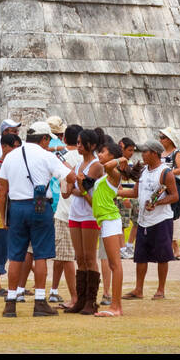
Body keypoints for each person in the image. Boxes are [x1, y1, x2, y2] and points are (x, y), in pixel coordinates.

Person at [0, 124, 71, 317]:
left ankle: (11, 302)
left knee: (15, 256)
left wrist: (3, 217)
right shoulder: (47, 156)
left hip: (16, 207)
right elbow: (69, 176)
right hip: (40, 206)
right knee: (40, 255)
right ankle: (40, 300)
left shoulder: (11, 156)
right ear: (45, 139)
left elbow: (2, 192)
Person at [119, 139, 178, 300]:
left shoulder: (166, 172)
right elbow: (136, 192)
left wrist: (157, 203)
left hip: (161, 219)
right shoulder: (143, 171)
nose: (142, 155)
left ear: (154, 153)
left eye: (145, 152)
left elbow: (174, 196)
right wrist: (116, 192)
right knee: (141, 256)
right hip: (144, 219)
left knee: (163, 256)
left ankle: (161, 289)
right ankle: (138, 289)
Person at [63, 127, 105, 314]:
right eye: (77, 143)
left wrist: (75, 187)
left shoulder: (95, 165)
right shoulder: (79, 165)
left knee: (89, 257)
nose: (78, 146)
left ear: (92, 145)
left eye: (81, 143)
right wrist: (74, 187)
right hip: (75, 213)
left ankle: (91, 299)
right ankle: (80, 299)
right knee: (79, 257)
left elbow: (82, 189)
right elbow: (71, 187)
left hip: (89, 214)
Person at [50, 124, 84, 305]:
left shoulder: (65, 158)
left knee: (65, 257)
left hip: (65, 213)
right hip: (84, 214)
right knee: (82, 258)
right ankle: (78, 294)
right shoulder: (90, 159)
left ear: (64, 139)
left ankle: (75, 297)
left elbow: (64, 190)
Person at [92, 138, 126, 317]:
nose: (99, 154)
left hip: (110, 220)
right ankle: (115, 305)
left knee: (115, 264)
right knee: (114, 264)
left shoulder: (114, 174)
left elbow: (109, 166)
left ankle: (116, 306)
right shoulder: (107, 176)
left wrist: (121, 159)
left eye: (103, 152)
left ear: (112, 156)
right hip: (105, 220)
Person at [0, 131, 21, 296]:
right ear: (4, 147)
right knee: (0, 248)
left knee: (17, 248)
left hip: (14, 210)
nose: (16, 150)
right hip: (1, 213)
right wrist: (5, 195)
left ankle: (18, 284)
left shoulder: (13, 164)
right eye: (13, 147)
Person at [160, 128, 180, 259]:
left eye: (163, 137)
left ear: (170, 139)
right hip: (161, 187)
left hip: (175, 187)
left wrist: (167, 173)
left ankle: (175, 246)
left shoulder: (178, 153)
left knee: (174, 216)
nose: (160, 139)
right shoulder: (160, 153)